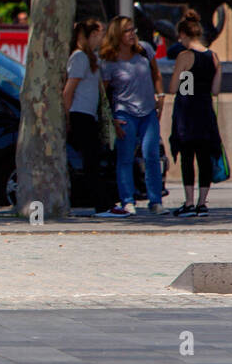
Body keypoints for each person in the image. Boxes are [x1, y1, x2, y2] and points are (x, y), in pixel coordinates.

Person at [98, 16, 165, 216]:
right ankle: (127, 200)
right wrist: (111, 120)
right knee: (125, 158)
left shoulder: (144, 50)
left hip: (148, 112)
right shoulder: (109, 61)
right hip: (125, 113)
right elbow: (103, 94)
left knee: (151, 155)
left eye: (133, 30)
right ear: (117, 34)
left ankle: (156, 200)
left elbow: (156, 74)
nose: (132, 34)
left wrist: (161, 96)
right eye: (127, 31)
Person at [168, 10, 223, 217]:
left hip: (187, 112)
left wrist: (185, 81)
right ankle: (202, 203)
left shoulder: (184, 56)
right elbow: (215, 90)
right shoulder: (214, 57)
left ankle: (189, 202)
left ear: (183, 34)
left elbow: (175, 87)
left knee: (187, 158)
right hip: (205, 112)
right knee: (204, 158)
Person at [64, 18, 105, 206]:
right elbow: (69, 90)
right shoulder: (79, 57)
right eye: (100, 34)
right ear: (93, 35)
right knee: (90, 159)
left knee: (93, 159)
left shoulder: (91, 57)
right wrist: (67, 118)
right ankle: (97, 202)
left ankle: (96, 200)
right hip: (79, 113)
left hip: (88, 114)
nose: (102, 38)